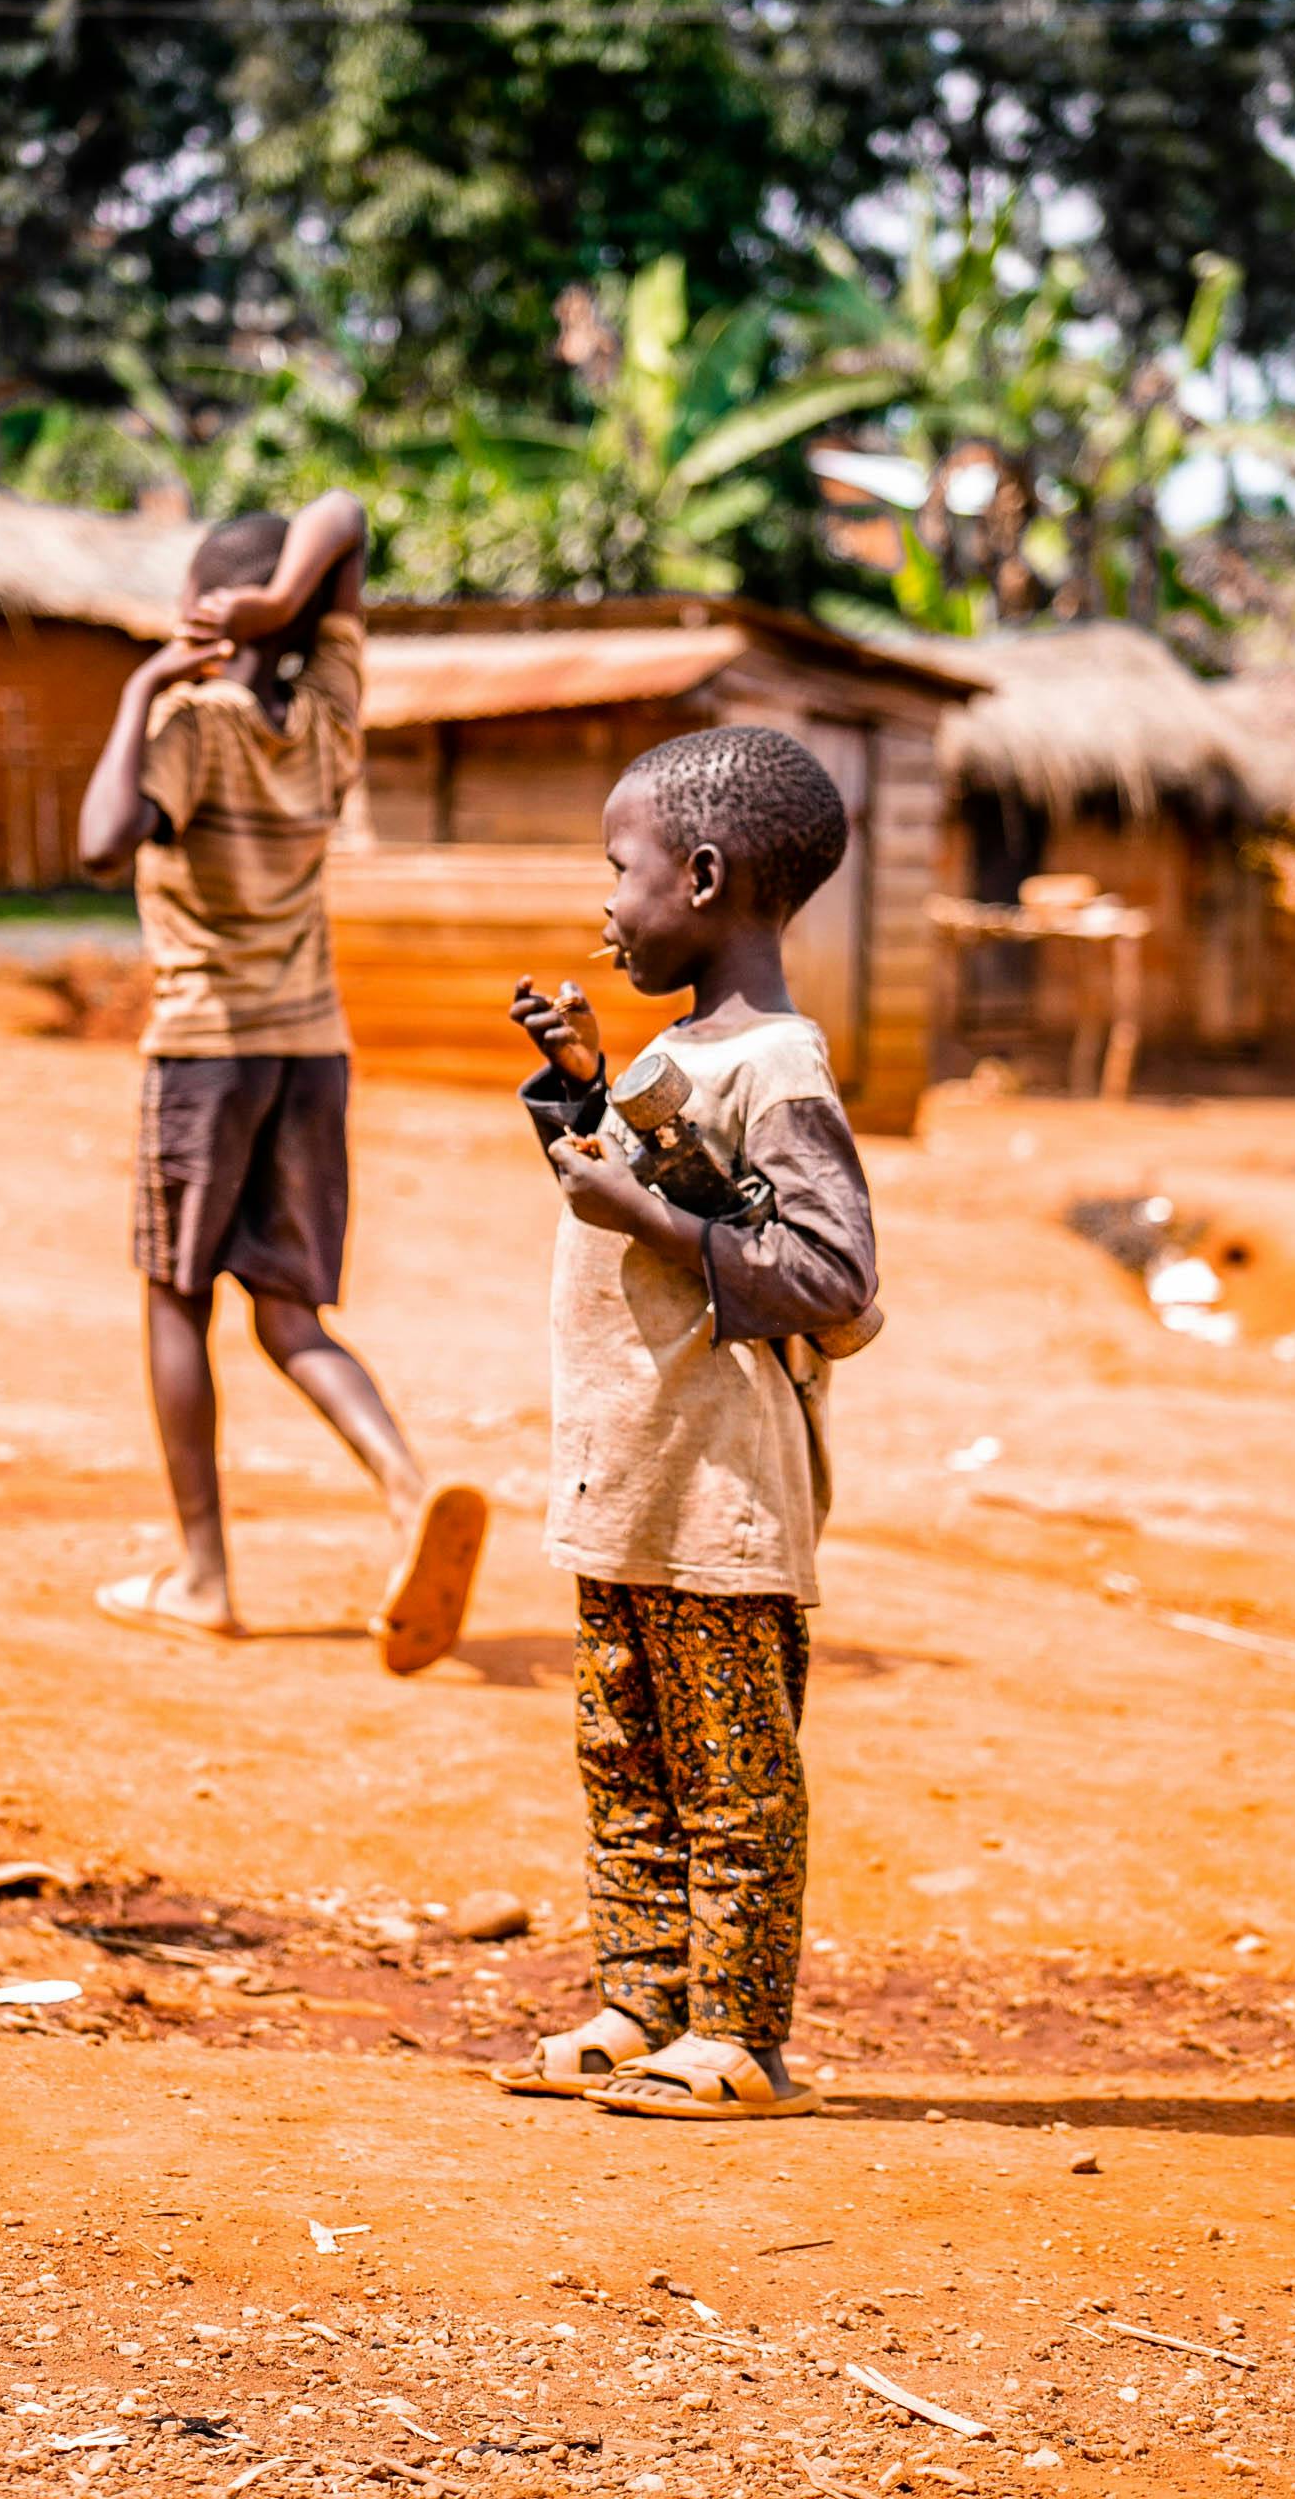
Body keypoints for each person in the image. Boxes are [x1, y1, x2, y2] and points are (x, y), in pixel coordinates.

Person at [495, 725, 879, 2118]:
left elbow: (833, 1274)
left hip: (722, 1495)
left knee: (733, 1772)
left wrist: (647, 1211)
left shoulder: (780, 1068)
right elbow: (705, 1198)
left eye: (622, 869)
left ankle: (737, 2034)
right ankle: (640, 2000)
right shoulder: (684, 1053)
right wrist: (593, 1087)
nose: (606, 902)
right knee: (627, 1750)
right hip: (633, 1480)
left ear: (703, 877)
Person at [76, 488, 486, 1674]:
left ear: (200, 610)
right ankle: (408, 1490)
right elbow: (347, 512)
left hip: (206, 1048)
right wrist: (289, 594)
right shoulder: (328, 715)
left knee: (175, 1300)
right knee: (290, 1313)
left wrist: (140, 689)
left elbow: (104, 842)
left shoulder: (192, 723)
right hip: (310, 1049)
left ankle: (203, 1576)